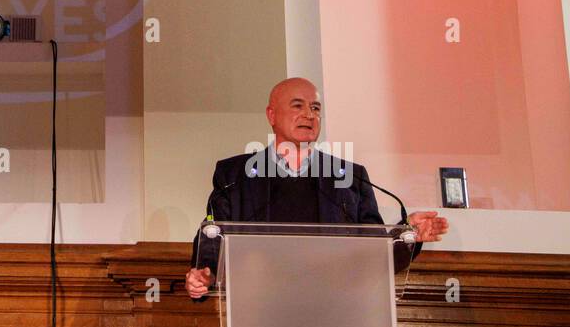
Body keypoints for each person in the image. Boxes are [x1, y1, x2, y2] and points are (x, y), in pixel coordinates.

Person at [184, 77, 449, 299]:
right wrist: (205, 273)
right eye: (298, 106)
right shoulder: (234, 174)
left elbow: (373, 254)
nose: (309, 115)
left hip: (336, 307)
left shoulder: (352, 177)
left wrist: (408, 234)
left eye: (316, 108)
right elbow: (213, 230)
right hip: (259, 306)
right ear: (272, 115)